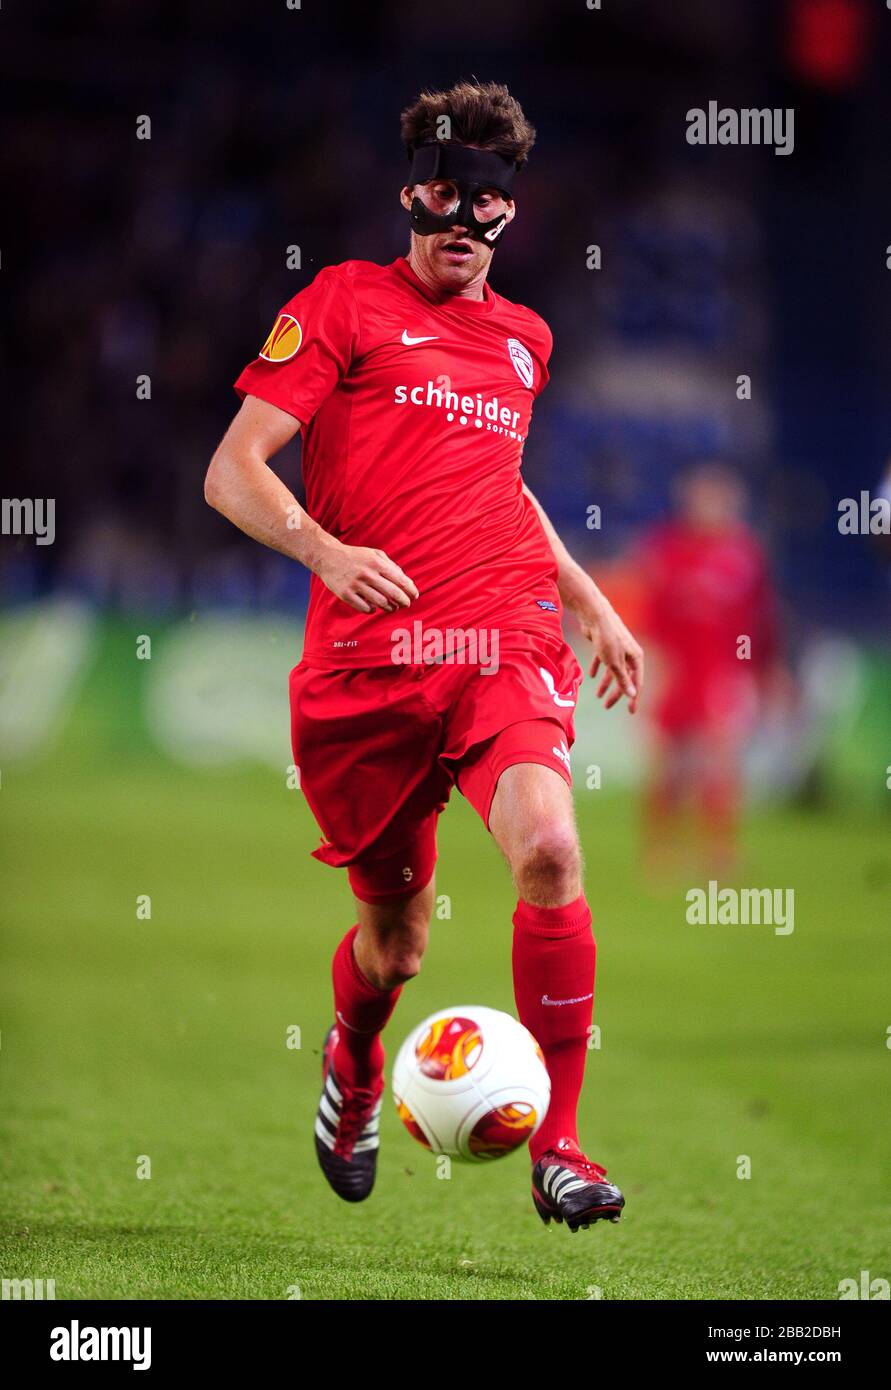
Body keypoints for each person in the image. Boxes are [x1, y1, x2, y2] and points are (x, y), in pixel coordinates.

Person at [205, 80, 644, 1232]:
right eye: (446, 195)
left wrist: (587, 597)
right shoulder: (343, 304)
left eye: (487, 202)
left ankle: (562, 1143)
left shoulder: (527, 342)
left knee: (550, 846)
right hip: (367, 671)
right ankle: (353, 1064)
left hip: (501, 639)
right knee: (394, 948)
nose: (463, 220)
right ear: (412, 191)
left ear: (512, 213)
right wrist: (324, 548)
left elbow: (496, 485)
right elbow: (234, 469)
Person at [638, 463, 782, 876]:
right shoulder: (666, 549)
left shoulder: (745, 554)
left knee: (720, 760)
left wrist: (762, 673)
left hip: (723, 672)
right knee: (669, 763)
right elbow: (653, 613)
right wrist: (655, 664)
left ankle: (718, 851)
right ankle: (661, 850)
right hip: (677, 669)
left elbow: (762, 620)